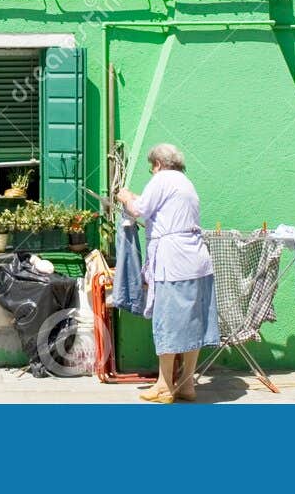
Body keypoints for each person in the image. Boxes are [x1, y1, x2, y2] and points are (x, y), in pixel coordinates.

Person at [117, 143, 218, 403]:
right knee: (192, 323)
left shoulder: (162, 179)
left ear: (158, 164)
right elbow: (159, 211)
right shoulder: (185, 183)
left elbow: (138, 209)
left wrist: (126, 197)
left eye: (152, 167)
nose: (152, 171)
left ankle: (164, 386)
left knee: (168, 323)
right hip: (197, 260)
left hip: (174, 263)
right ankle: (186, 384)